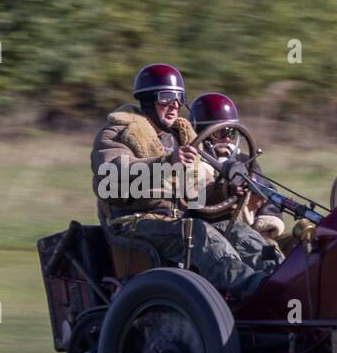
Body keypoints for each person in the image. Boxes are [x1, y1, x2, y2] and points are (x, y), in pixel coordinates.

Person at [90, 64, 270, 300]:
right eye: (167, 97)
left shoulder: (183, 137)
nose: (175, 104)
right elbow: (110, 180)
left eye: (180, 98)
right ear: (146, 99)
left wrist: (228, 190)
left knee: (238, 232)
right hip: (136, 224)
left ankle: (280, 279)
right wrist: (166, 162)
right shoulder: (116, 133)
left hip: (182, 220)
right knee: (198, 234)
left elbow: (200, 195)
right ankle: (258, 293)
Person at [188, 92, 286, 271]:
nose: (227, 138)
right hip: (218, 229)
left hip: (254, 231)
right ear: (202, 132)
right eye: (220, 132)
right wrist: (229, 191)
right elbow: (197, 201)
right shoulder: (193, 164)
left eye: (231, 132)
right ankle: (276, 282)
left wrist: (266, 224)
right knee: (267, 259)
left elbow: (269, 192)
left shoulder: (244, 161)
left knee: (304, 245)